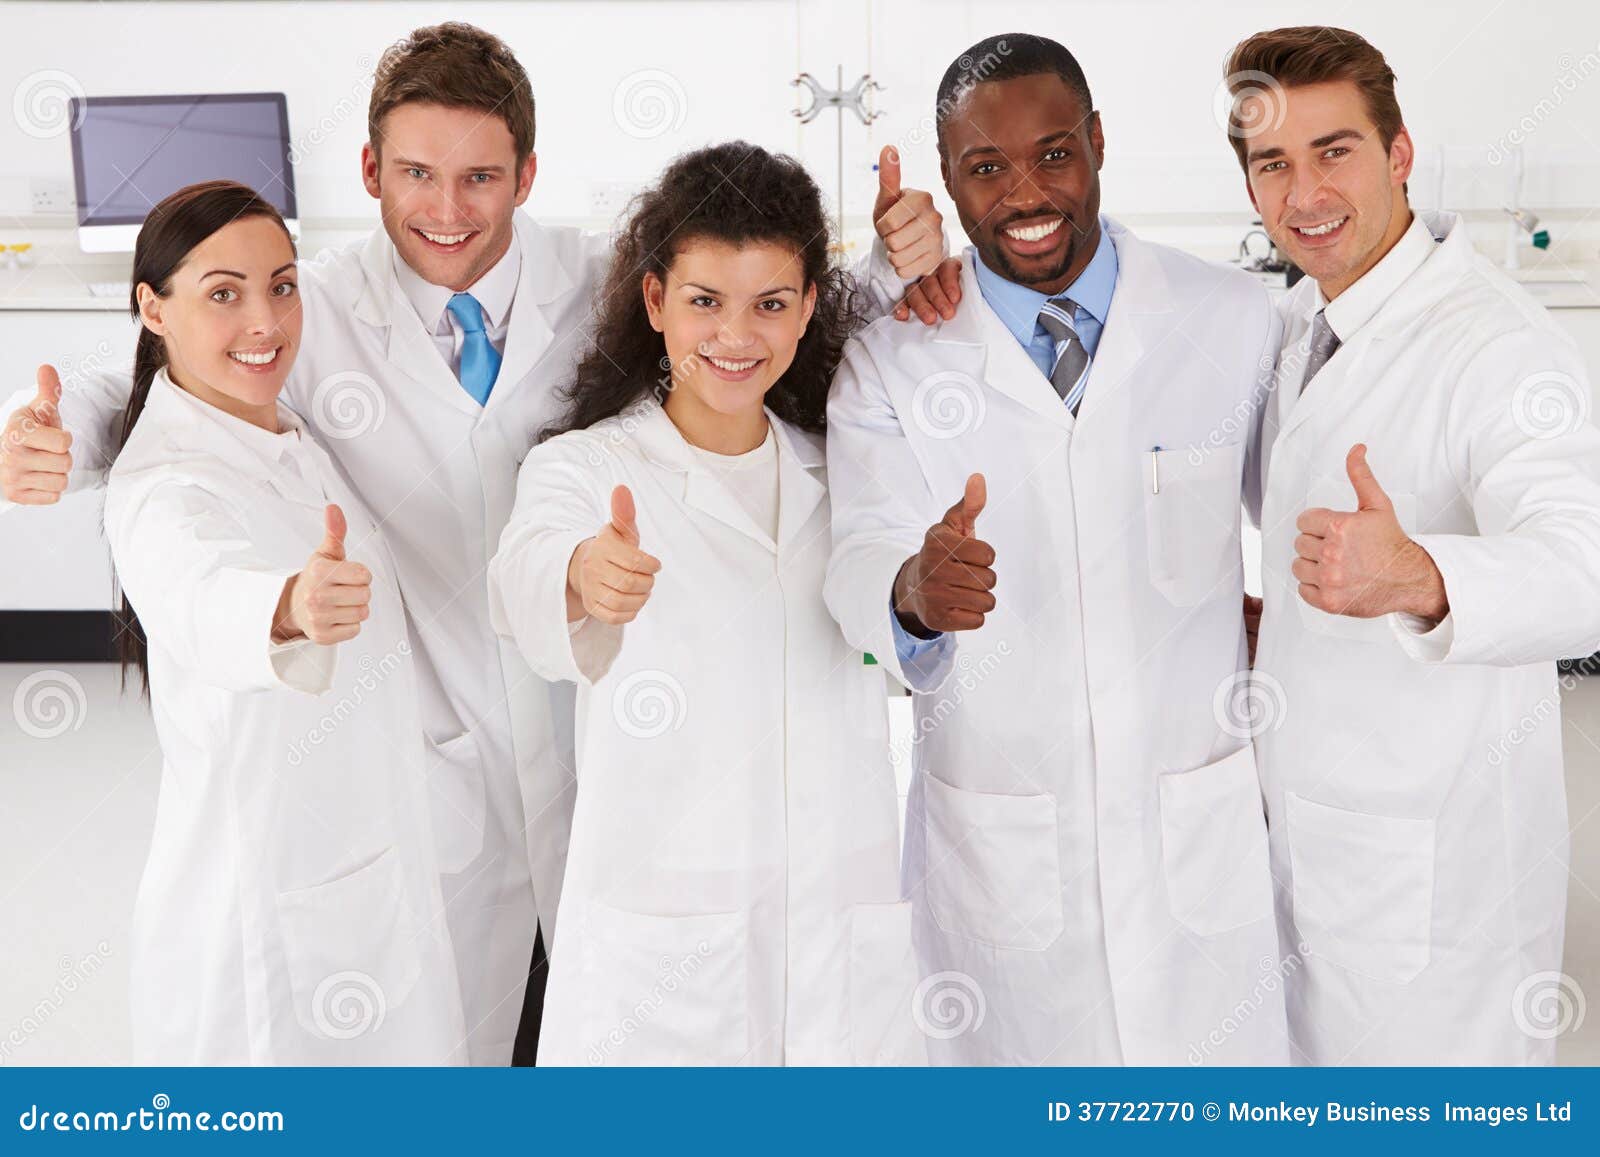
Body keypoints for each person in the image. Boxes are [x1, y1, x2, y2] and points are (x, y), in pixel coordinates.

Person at [0, 23, 949, 1064]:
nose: (446, 210)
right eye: (415, 173)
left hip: (601, 752)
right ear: (369, 170)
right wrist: (59, 434)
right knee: (449, 1054)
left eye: (480, 177)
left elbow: (755, 314)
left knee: (596, 1029)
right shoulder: (306, 305)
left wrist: (897, 269)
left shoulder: (596, 284)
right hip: (434, 768)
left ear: (526, 174)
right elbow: (172, 363)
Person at [826, 33, 1288, 1065]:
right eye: (984, 168)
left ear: (1098, 143)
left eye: (1053, 153)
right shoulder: (895, 355)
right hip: (999, 843)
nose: (1024, 191)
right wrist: (911, 591)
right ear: (947, 181)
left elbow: (1299, 516)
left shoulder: (1230, 315)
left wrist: (1282, 627)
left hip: (1191, 829)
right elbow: (854, 548)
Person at [487, 142, 923, 1066]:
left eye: (770, 303)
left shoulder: (840, 467)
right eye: (704, 302)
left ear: (809, 309)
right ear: (655, 302)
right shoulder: (588, 466)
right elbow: (525, 573)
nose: (737, 335)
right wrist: (580, 573)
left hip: (836, 932)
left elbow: (894, 626)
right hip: (665, 963)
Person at [1225, 26, 1600, 1064]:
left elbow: (1585, 562)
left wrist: (1422, 574)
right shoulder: (1303, 320)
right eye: (1272, 163)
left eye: (1333, 150)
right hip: (1314, 851)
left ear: (1398, 154)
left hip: (1435, 887)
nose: (1303, 192)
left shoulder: (1498, 343)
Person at [104, 180, 466, 1063]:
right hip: (262, 928)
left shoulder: (284, 431)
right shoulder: (163, 486)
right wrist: (286, 607)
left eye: (283, 284)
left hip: (363, 873)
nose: (265, 321)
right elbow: (200, 593)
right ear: (154, 308)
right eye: (222, 293)